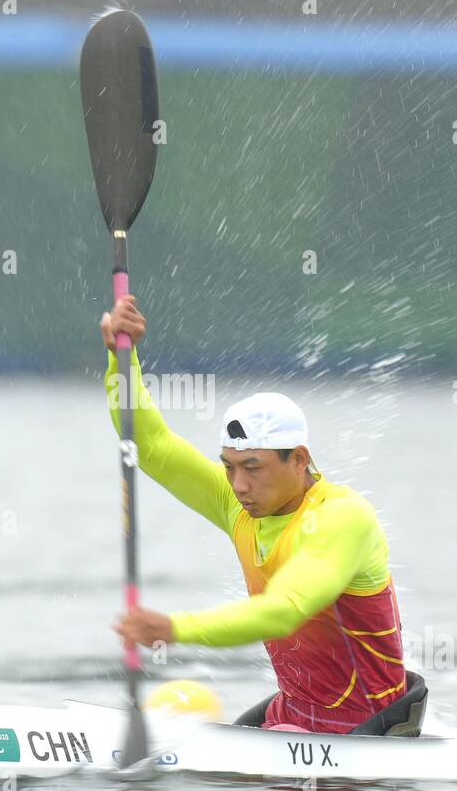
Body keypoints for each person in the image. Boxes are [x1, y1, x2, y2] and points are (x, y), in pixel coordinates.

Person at [102, 295, 408, 735]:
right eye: (228, 467)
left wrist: (174, 628)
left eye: (252, 468)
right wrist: (120, 359)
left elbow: (284, 610)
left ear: (299, 459)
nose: (238, 485)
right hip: (292, 720)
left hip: (368, 732)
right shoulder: (238, 504)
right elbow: (151, 448)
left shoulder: (343, 517)